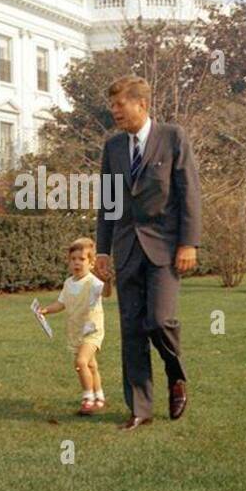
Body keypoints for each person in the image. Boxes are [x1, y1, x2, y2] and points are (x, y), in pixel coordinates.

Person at [93, 75, 201, 431]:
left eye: (119, 105)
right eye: (112, 106)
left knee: (159, 320)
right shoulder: (112, 148)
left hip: (166, 249)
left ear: (141, 104)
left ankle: (175, 374)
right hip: (126, 251)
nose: (114, 112)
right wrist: (103, 251)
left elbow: (189, 195)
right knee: (132, 331)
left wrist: (189, 243)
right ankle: (140, 408)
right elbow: (108, 203)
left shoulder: (173, 138)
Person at [37, 237, 109, 416]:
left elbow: (106, 293)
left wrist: (108, 281)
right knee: (91, 365)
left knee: (81, 362)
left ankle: (88, 398)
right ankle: (99, 396)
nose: (77, 263)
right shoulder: (68, 283)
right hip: (76, 332)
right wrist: (45, 310)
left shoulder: (93, 282)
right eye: (73, 259)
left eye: (82, 259)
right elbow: (61, 304)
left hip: (92, 331)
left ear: (91, 263)